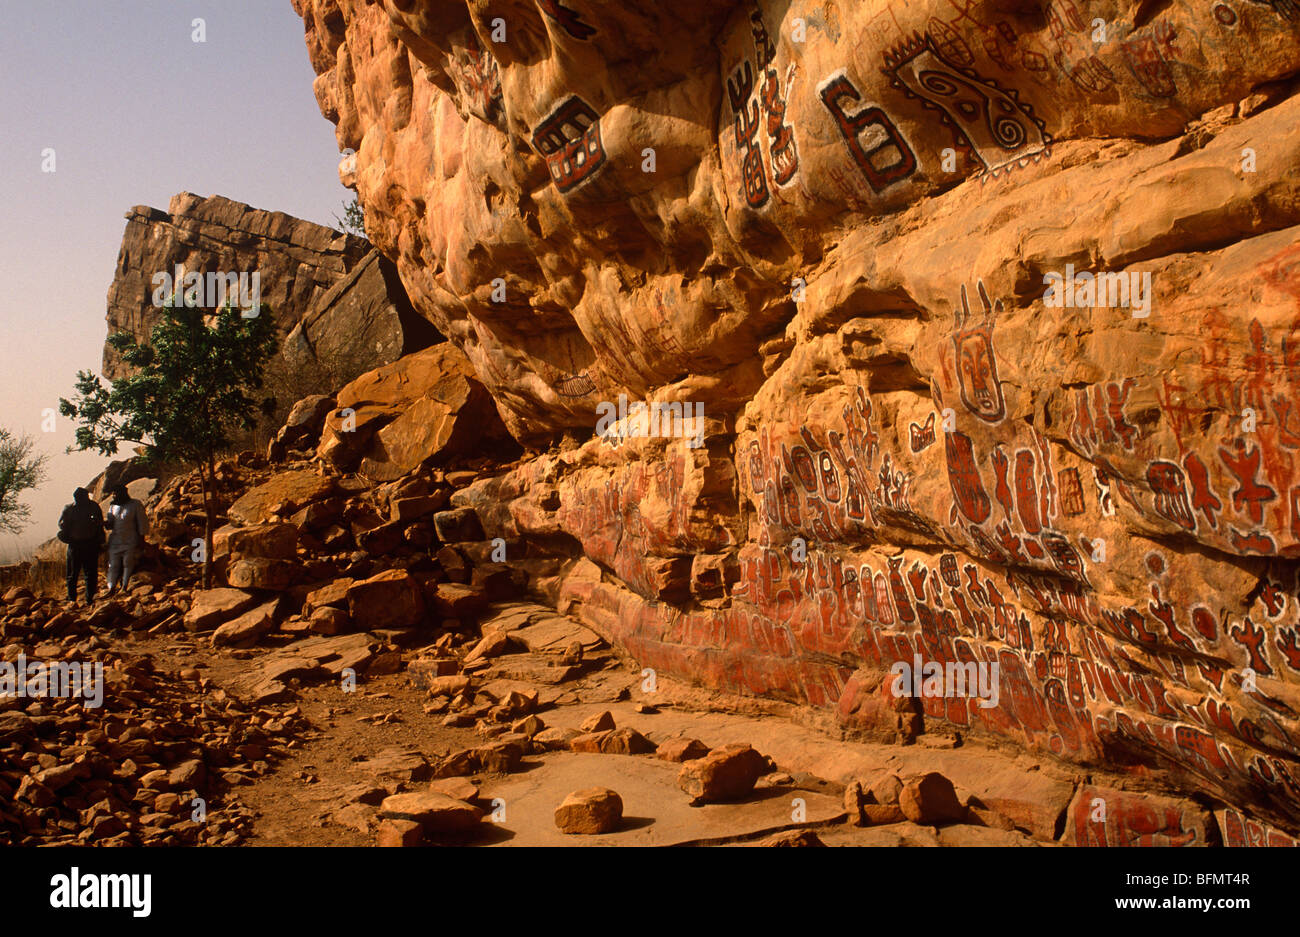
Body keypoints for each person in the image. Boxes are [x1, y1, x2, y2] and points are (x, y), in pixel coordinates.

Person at [58, 487, 104, 605]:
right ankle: (74, 598)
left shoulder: (92, 507)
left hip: (87, 544)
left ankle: (87, 598)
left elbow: (99, 525)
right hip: (77, 544)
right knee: (75, 574)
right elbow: (62, 525)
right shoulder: (70, 508)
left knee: (88, 573)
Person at [105, 485, 149, 595]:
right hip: (115, 541)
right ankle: (111, 588)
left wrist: (141, 539)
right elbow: (110, 524)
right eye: (113, 494)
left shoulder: (135, 505)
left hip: (130, 539)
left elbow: (142, 522)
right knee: (113, 565)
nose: (114, 496)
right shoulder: (112, 507)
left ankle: (124, 587)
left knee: (127, 563)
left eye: (116, 493)